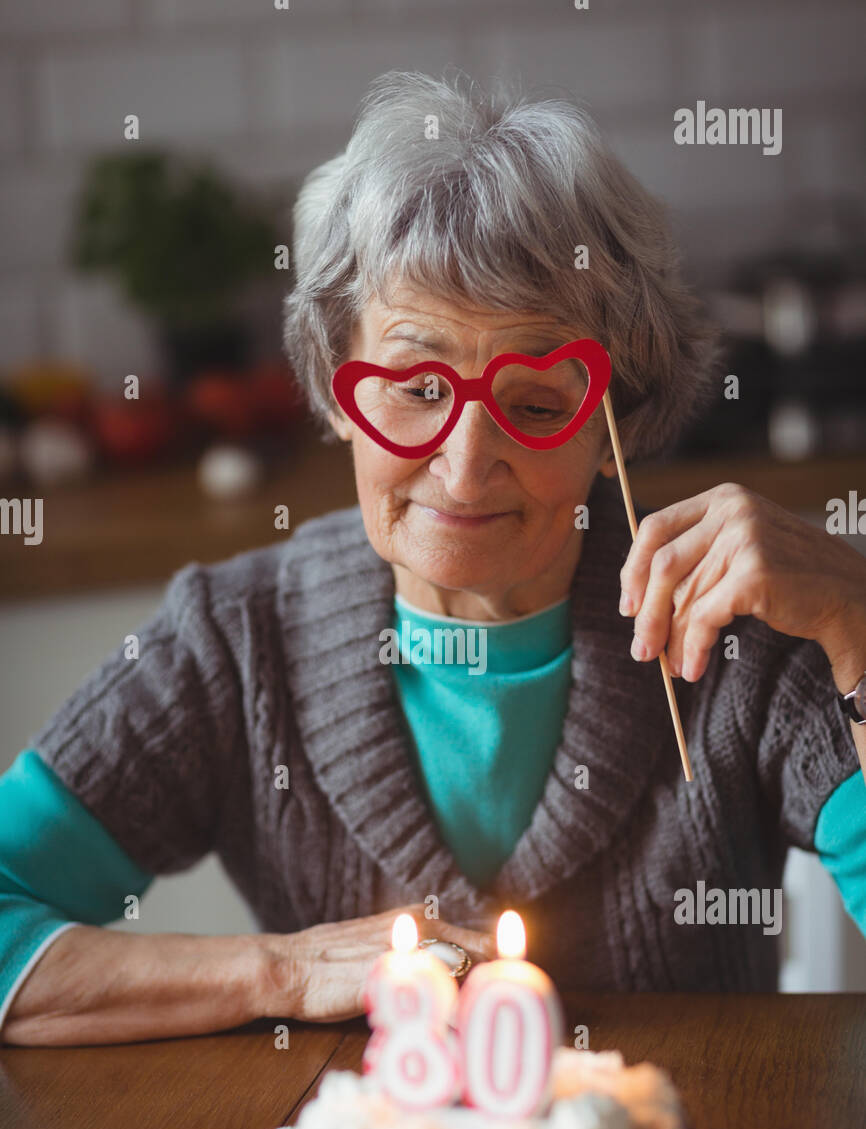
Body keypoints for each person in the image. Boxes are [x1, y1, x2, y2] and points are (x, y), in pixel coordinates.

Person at [2, 70, 865, 1048]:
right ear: (336, 393)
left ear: (615, 422)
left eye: (536, 403)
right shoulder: (233, 640)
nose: (463, 465)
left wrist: (860, 629)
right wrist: (277, 971)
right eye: (415, 387)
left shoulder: (732, 629)